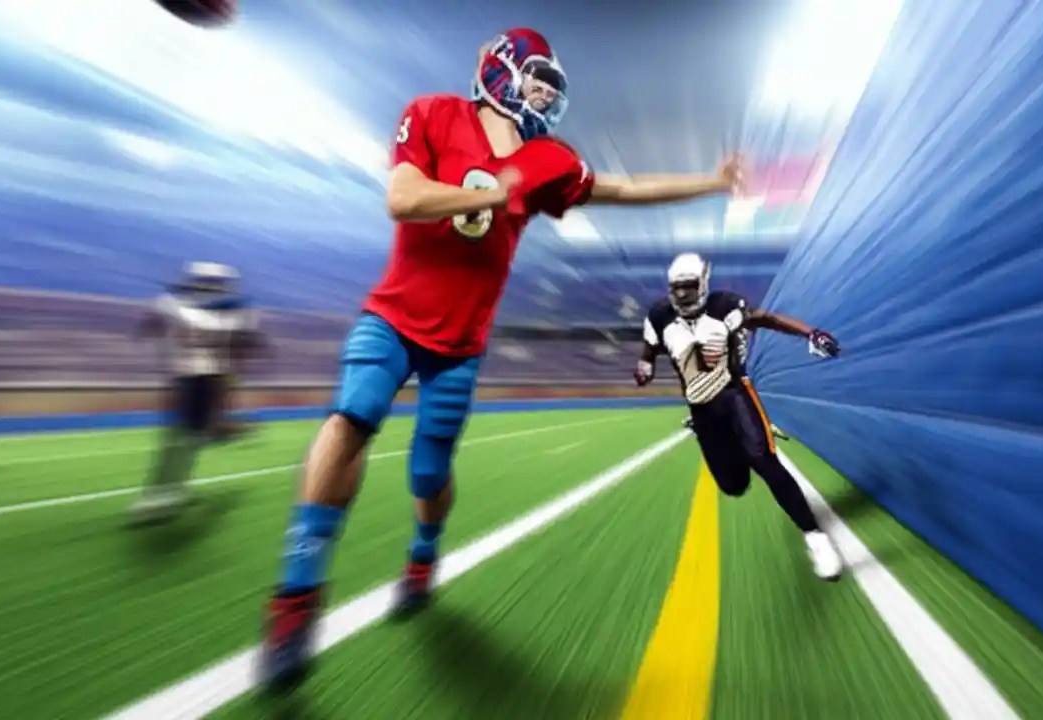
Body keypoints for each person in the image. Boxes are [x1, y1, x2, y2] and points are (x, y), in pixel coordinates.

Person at [258, 28, 745, 693]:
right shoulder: (433, 114)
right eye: (538, 77)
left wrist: (711, 182)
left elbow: (627, 189)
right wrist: (490, 193)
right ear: (501, 70)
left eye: (552, 86)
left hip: (460, 344)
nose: (546, 93)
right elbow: (403, 199)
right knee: (351, 417)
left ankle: (423, 555)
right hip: (393, 316)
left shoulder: (548, 160)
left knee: (429, 472)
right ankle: (296, 595)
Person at [634, 252, 845, 580]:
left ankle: (815, 536)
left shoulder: (725, 307)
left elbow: (766, 319)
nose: (683, 294)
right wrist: (645, 365)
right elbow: (649, 351)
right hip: (701, 409)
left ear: (703, 283)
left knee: (765, 461)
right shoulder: (659, 316)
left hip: (734, 395)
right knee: (734, 485)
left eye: (689, 286)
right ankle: (739, 441)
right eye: (677, 288)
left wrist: (810, 333)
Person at [130, 261, 263, 523]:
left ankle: (165, 493)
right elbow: (243, 348)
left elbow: (152, 325)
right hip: (195, 379)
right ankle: (168, 491)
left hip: (203, 379)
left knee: (182, 438)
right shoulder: (233, 313)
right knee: (183, 437)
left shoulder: (183, 307)